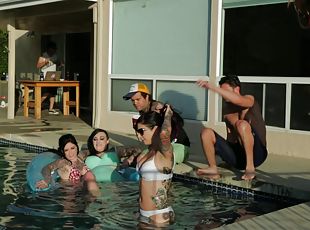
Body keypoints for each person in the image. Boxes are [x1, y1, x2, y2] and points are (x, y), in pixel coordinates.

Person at [196, 75, 268, 180]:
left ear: (237, 89)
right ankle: (212, 168)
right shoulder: (227, 110)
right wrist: (226, 156)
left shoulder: (249, 99)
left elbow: (238, 100)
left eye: (226, 91)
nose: (224, 95)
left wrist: (212, 87)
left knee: (241, 124)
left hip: (257, 155)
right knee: (206, 132)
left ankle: (250, 168)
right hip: (238, 159)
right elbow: (230, 136)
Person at [123, 82, 190, 164]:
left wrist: (167, 112)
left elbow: (180, 122)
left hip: (179, 145)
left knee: (153, 162)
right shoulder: (144, 113)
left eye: (138, 99)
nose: (135, 103)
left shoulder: (158, 108)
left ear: (147, 97)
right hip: (158, 146)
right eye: (133, 100)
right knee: (138, 160)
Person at [134, 105, 175, 226]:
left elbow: (164, 134)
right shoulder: (148, 152)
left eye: (142, 131)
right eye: (137, 131)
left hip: (159, 216)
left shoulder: (164, 154)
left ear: (156, 129)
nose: (138, 135)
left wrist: (168, 115)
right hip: (144, 214)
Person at [40, 41, 63, 115]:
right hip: (45, 76)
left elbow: (60, 63)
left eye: (54, 50)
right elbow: (39, 65)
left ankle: (51, 109)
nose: (53, 51)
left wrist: (60, 65)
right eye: (51, 50)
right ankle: (37, 105)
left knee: (52, 93)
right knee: (45, 93)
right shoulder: (44, 55)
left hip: (53, 76)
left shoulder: (55, 56)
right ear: (48, 49)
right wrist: (46, 61)